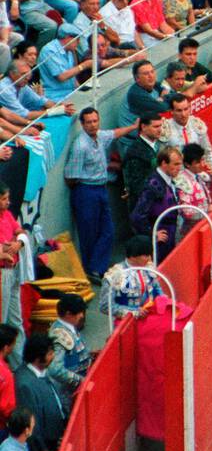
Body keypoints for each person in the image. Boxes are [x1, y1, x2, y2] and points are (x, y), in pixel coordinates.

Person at [64, 106, 139, 280]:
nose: (92, 125)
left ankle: (97, 266)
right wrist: (86, 185)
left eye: (95, 121)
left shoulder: (100, 136)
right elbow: (70, 177)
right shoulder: (80, 146)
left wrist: (133, 127)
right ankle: (92, 270)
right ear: (82, 125)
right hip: (86, 191)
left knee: (108, 230)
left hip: (100, 189)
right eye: (88, 122)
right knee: (88, 232)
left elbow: (114, 133)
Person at [14, 334, 66, 451]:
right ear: (38, 358)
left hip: (56, 435)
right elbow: (31, 421)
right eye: (49, 354)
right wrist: (41, 449)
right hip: (46, 445)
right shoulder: (25, 384)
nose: (53, 356)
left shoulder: (40, 371)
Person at [46, 294, 91, 412]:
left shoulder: (69, 327)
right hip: (67, 392)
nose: (82, 315)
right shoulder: (60, 335)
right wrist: (80, 380)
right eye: (79, 312)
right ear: (68, 314)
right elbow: (55, 369)